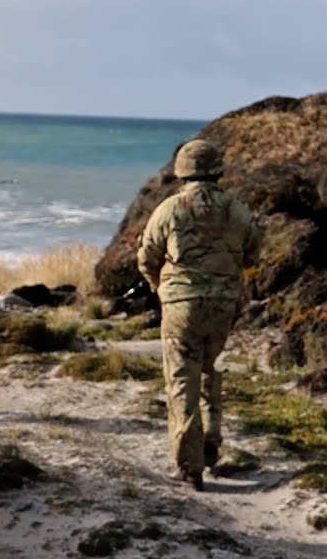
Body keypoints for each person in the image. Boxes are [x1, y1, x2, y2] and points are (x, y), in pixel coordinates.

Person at [137, 138, 261, 491]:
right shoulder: (236, 209)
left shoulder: (171, 208)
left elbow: (147, 257)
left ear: (182, 171)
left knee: (181, 380)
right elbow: (253, 253)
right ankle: (211, 442)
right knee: (207, 370)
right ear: (217, 170)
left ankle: (189, 466)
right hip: (223, 305)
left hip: (181, 305)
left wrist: (160, 287)